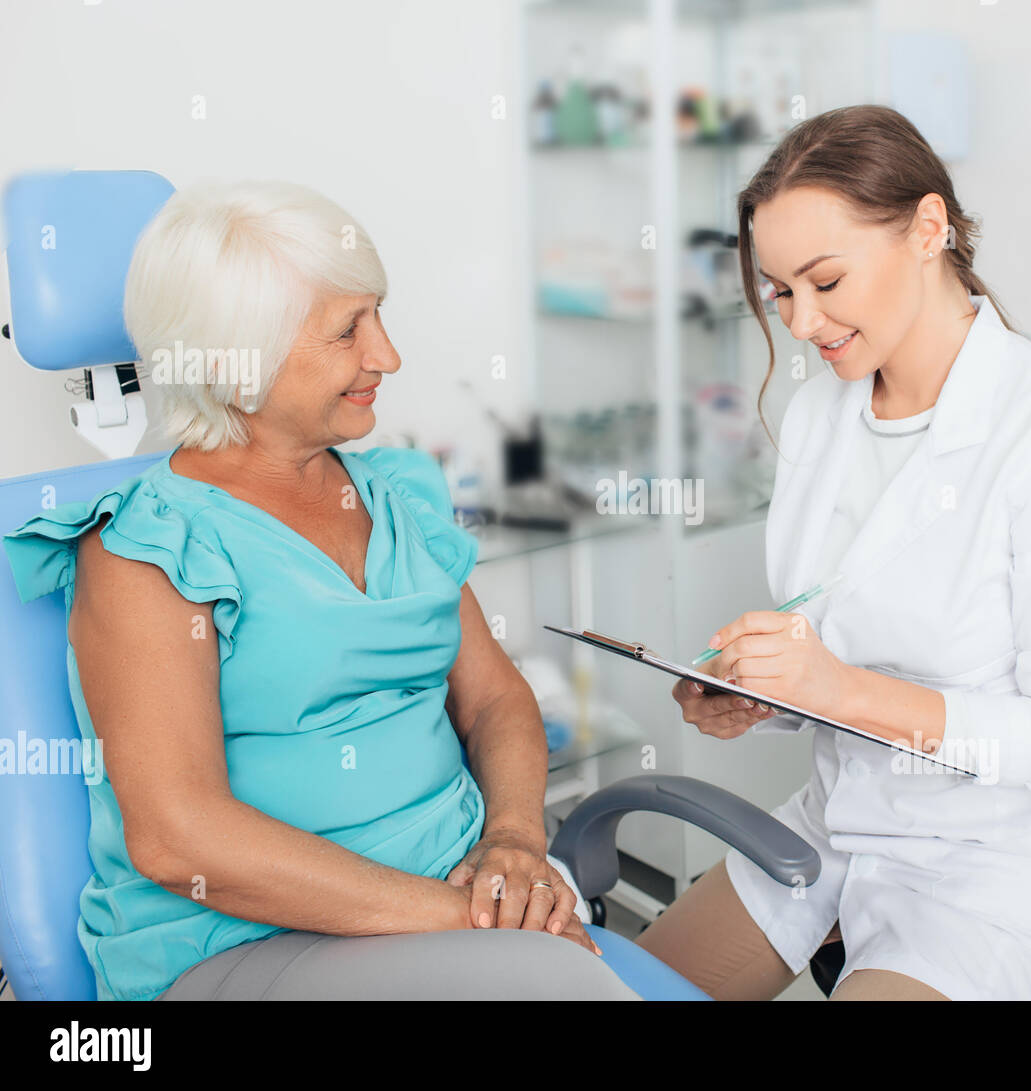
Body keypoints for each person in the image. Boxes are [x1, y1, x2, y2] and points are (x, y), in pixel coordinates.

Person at [3, 181, 636, 1002]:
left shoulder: (395, 492)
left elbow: (494, 701)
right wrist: (465, 916)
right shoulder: (147, 548)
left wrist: (514, 840)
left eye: (378, 315)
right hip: (247, 942)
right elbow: (176, 837)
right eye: (348, 330)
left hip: (456, 903)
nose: (388, 355)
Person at [636, 105, 1031, 1002]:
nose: (801, 322)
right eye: (779, 293)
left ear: (929, 229)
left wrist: (838, 690)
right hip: (844, 824)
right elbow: (844, 639)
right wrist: (769, 691)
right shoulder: (820, 416)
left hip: (1009, 866)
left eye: (826, 281)